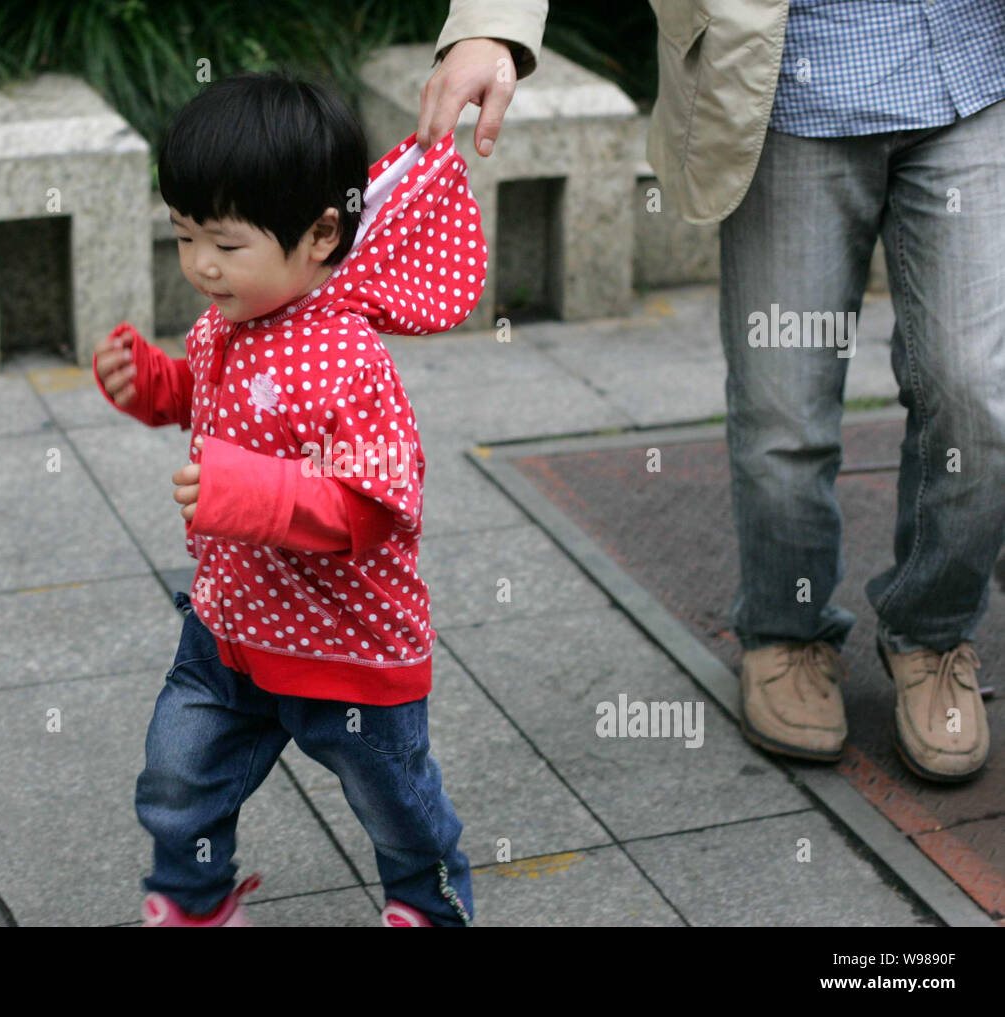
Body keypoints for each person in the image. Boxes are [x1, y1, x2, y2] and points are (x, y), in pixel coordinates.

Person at [419, 0, 1004, 782]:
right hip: (789, 88)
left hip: (973, 70)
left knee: (978, 392)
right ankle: (785, 630)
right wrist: (492, 25)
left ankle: (933, 635)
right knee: (783, 412)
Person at [93, 69, 488, 926]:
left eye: (226, 245)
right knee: (177, 772)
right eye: (183, 235)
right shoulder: (224, 325)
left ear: (320, 234)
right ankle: (193, 897)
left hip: (349, 651)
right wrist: (146, 382)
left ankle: (430, 902)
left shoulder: (349, 358)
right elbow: (199, 395)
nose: (200, 265)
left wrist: (248, 493)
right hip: (229, 630)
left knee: (398, 806)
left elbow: (375, 502)